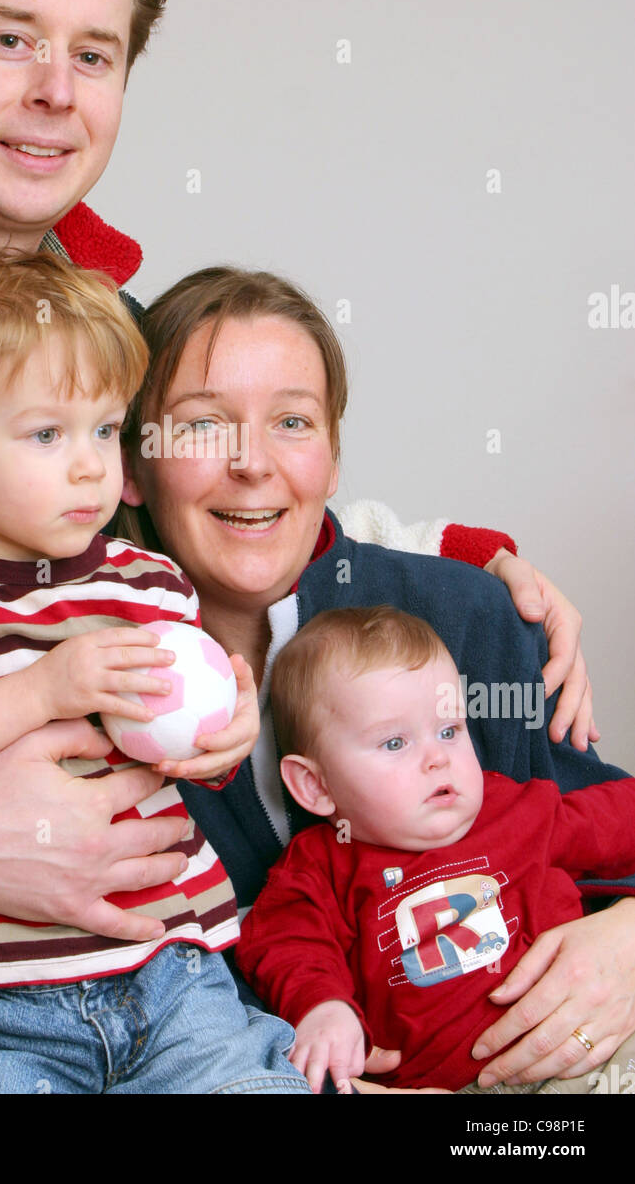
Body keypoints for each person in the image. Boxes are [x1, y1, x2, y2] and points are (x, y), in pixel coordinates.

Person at [0, 0, 592, 1089]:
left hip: (142, 983)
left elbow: (229, 484)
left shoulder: (119, 338)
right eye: (9, 40)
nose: (53, 93)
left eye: (91, 55)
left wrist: (468, 550)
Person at [116, 266, 635, 1091]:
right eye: (202, 426)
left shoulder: (463, 616)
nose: (252, 464)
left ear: (330, 458)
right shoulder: (95, 678)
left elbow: (596, 826)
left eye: (292, 421)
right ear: (131, 468)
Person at [0, 249, 308, 1094]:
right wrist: (41, 692)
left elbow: (178, 743)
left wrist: (221, 735)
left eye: (106, 430)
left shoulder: (144, 580)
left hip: (174, 976)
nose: (92, 467)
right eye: (47, 434)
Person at [234, 606, 635, 1094]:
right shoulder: (321, 866)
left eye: (450, 731)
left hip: (595, 1050)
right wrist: (324, 1009)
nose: (437, 758)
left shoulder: (517, 810)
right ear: (315, 785)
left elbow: (619, 817)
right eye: (395, 742)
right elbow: (285, 942)